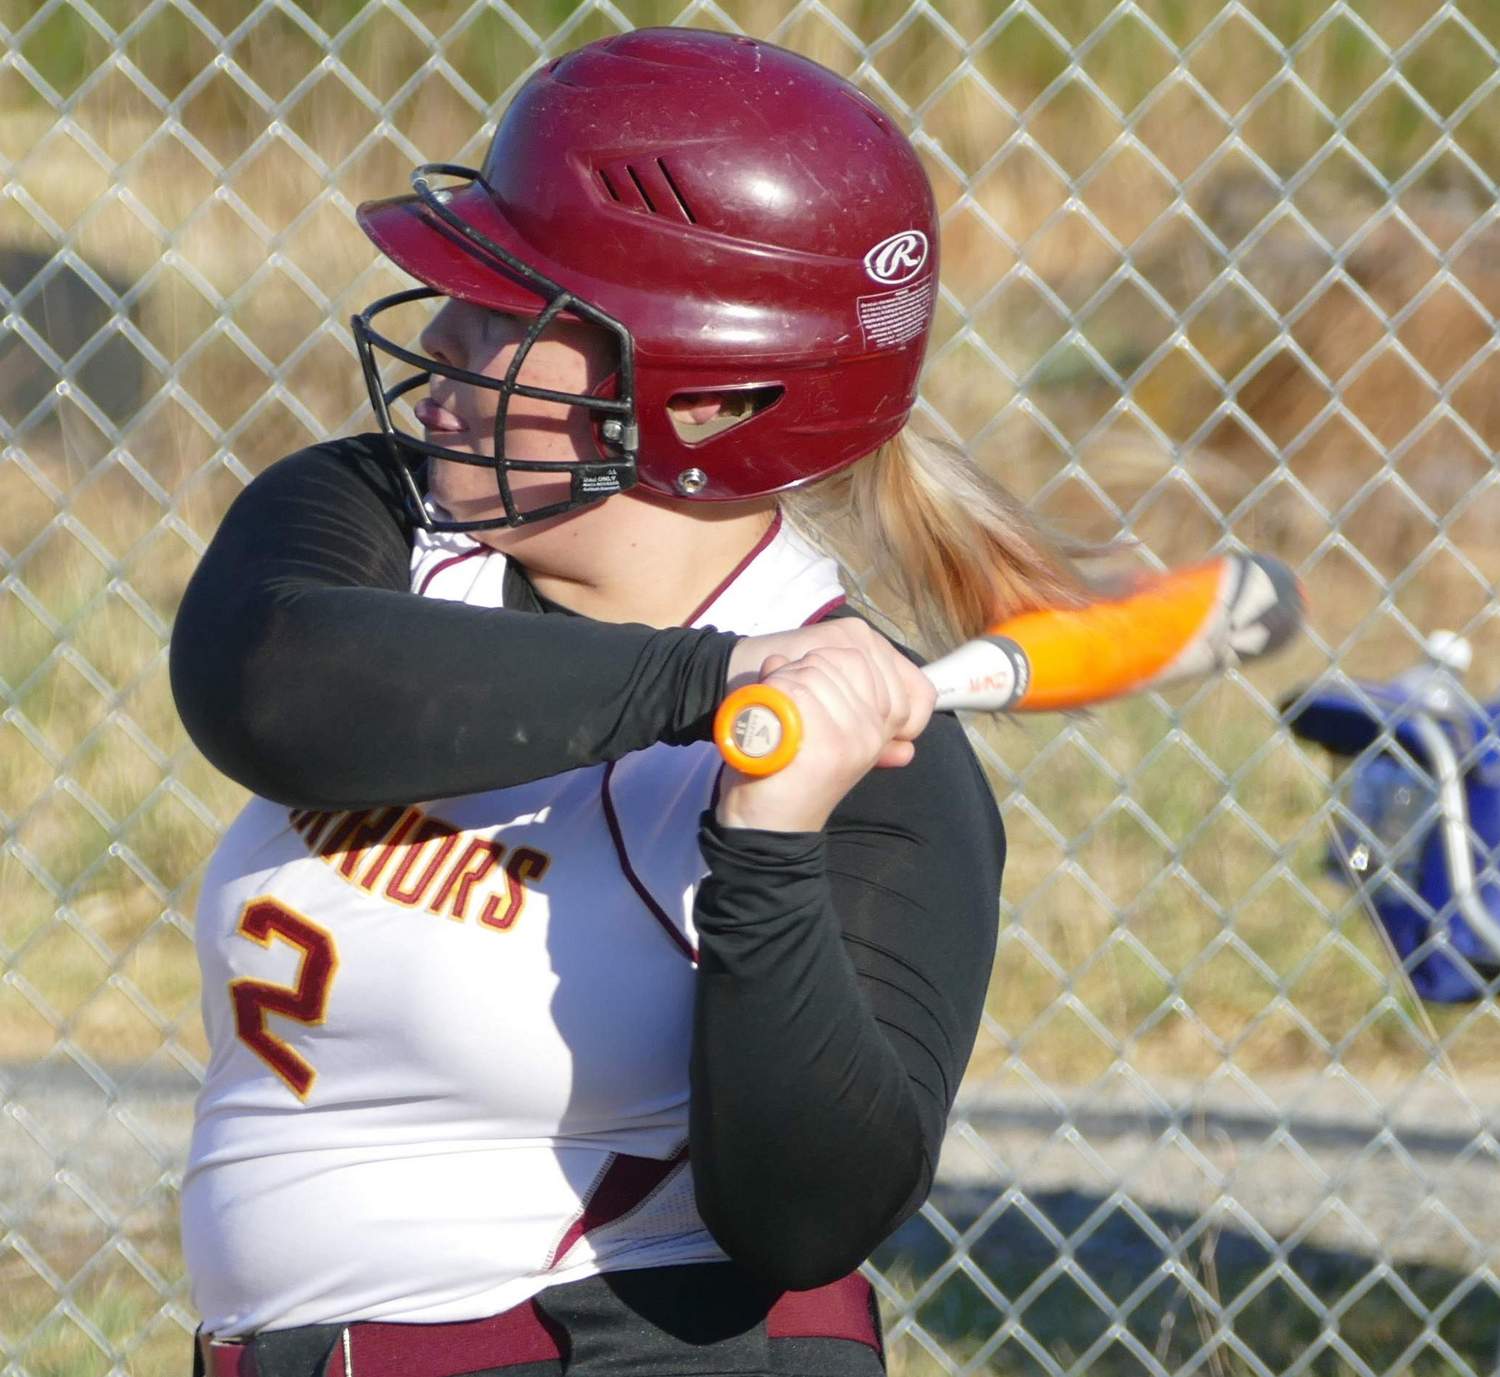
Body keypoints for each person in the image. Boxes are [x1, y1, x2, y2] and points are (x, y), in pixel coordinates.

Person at [169, 27, 1091, 1377]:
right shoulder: (379, 522)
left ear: (709, 398)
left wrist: (767, 843)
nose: (440, 337)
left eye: (509, 313)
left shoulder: (876, 758)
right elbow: (262, 680)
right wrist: (703, 682)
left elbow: (809, 1210)